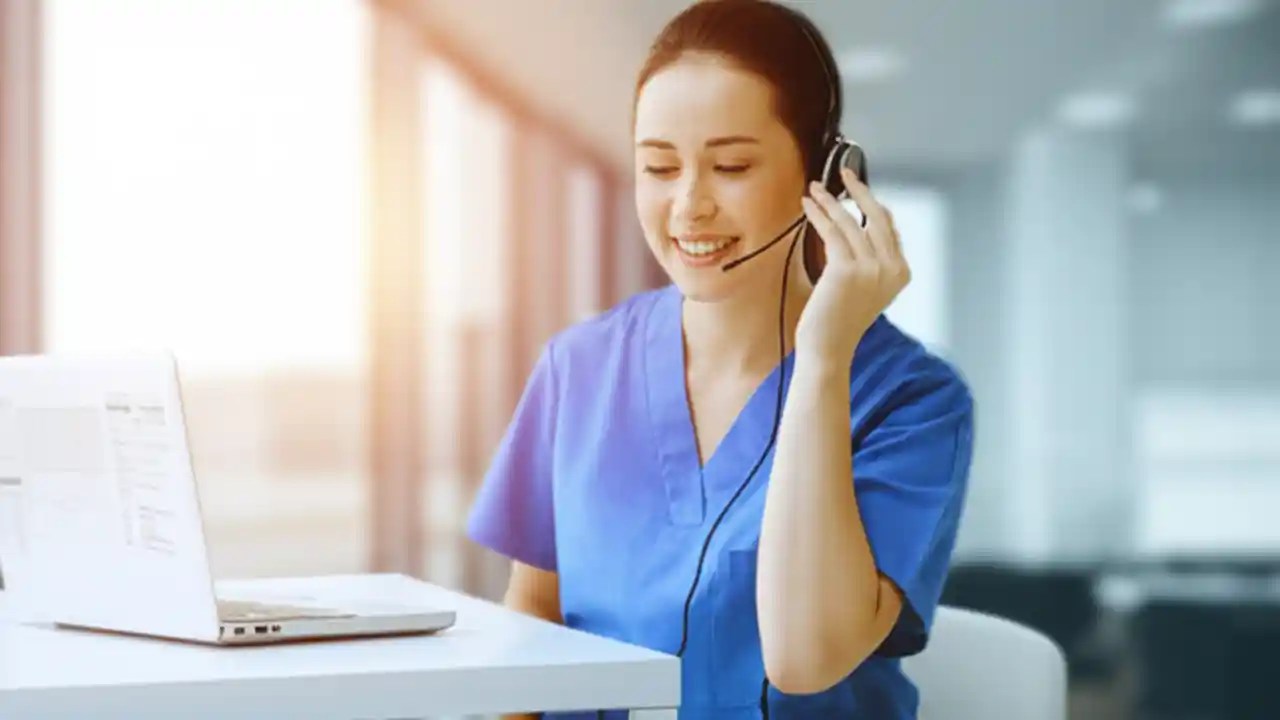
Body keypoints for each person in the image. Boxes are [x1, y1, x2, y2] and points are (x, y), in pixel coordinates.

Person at [467, 1, 974, 717]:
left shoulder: (911, 400)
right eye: (659, 167)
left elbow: (804, 660)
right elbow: (532, 615)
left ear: (824, 174)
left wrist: (823, 358)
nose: (688, 207)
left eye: (730, 165)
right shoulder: (577, 368)